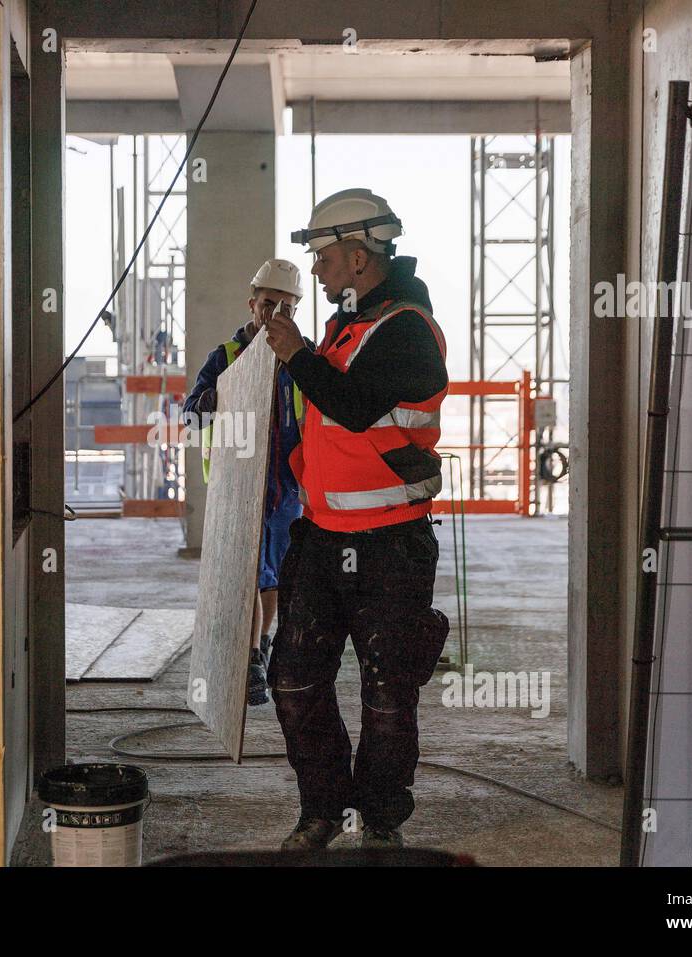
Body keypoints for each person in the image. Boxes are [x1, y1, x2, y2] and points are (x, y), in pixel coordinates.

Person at [262, 188, 451, 851]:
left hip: (390, 545)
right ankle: (322, 808)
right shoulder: (349, 324)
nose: (314, 269)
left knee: (387, 693)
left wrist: (297, 354)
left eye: (321, 255)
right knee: (293, 677)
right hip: (322, 539)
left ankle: (378, 818)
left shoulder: (407, 327)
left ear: (358, 253)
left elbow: (356, 405)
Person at [183, 259, 313, 706]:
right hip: (238, 482)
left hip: (287, 485)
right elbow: (191, 416)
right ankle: (253, 654)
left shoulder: (303, 356)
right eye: (268, 304)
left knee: (273, 573)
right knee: (250, 569)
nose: (276, 314)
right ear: (252, 303)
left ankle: (263, 642)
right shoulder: (225, 357)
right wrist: (215, 396)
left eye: (286, 308)